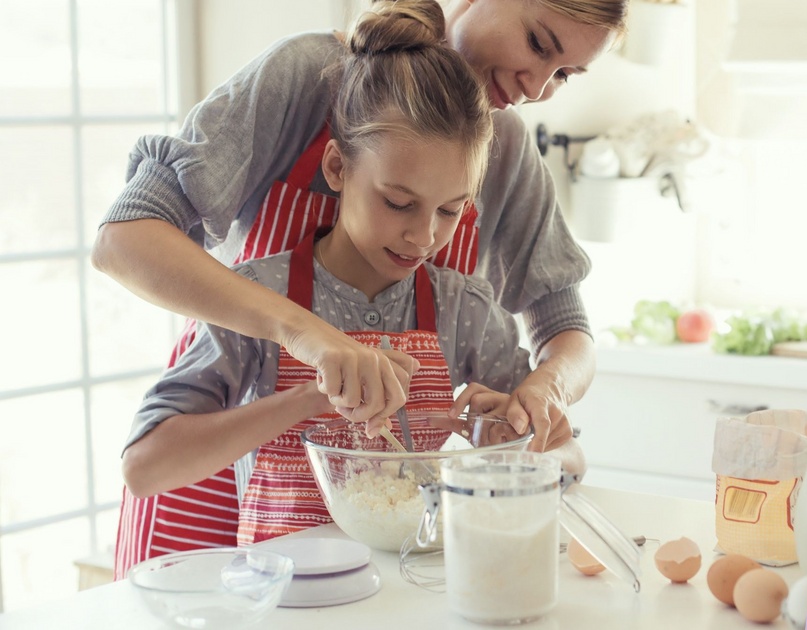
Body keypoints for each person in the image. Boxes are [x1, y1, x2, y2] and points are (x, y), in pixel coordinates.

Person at [96, 0, 626, 576]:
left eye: (565, 73)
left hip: (370, 534)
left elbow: (565, 332)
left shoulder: (501, 151)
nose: (538, 87)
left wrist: (541, 398)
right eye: (538, 43)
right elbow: (124, 240)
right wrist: (312, 344)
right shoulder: (314, 74)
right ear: (338, 167)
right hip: (217, 435)